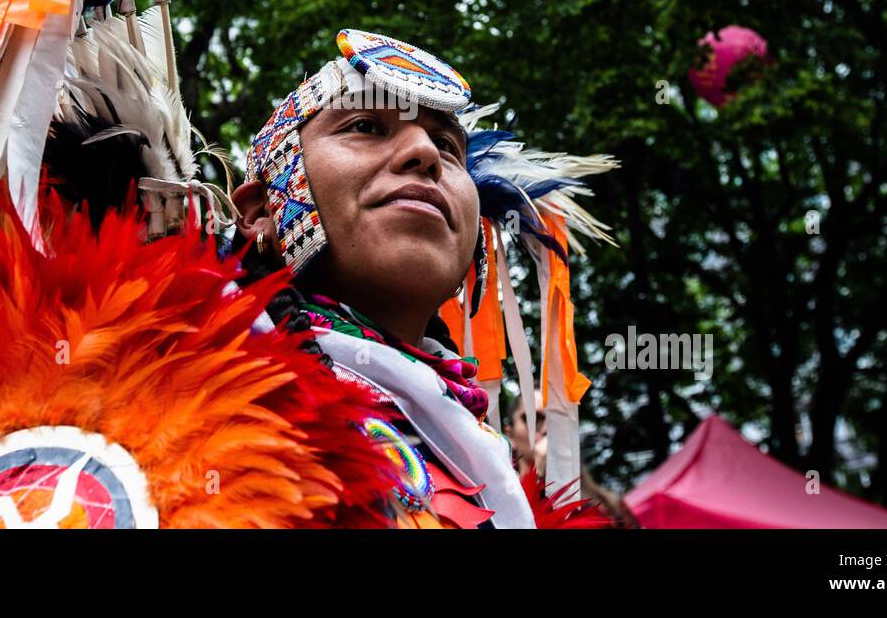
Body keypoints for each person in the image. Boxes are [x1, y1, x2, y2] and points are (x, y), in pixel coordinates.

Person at [232, 28, 532, 528]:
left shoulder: (489, 461)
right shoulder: (178, 396)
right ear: (260, 212)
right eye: (367, 126)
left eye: (446, 145)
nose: (426, 154)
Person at [504, 391, 638, 527]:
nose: (547, 428)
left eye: (557, 418)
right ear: (510, 435)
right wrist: (537, 475)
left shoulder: (609, 504)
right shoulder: (499, 503)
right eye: (534, 419)